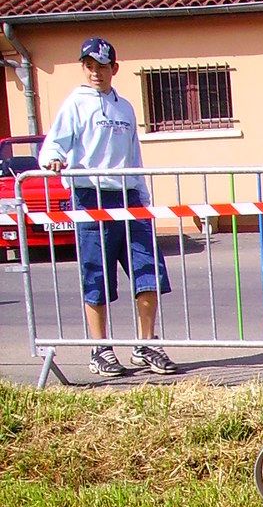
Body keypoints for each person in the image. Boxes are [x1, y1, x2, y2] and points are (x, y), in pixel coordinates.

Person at [40, 37, 176, 378]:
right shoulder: (75, 104)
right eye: (89, 66)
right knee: (96, 274)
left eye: (102, 66)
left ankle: (146, 344)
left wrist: (142, 196)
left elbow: (134, 156)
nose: (96, 72)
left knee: (149, 272)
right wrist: (55, 158)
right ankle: (100, 349)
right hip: (90, 198)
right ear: (83, 68)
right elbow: (54, 144)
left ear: (114, 68)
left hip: (129, 198)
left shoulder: (125, 108)